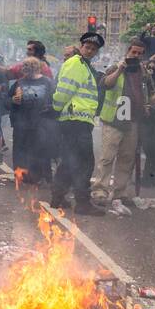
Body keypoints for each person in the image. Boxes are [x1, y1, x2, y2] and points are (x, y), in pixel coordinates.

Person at [51, 31, 105, 215]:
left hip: (78, 120)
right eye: (87, 47)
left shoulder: (84, 66)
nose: (90, 51)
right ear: (81, 47)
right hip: (76, 120)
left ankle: (57, 197)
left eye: (93, 49)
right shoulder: (76, 63)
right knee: (85, 163)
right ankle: (82, 203)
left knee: (69, 160)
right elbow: (64, 90)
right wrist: (55, 108)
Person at [92, 38, 149, 207]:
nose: (136, 56)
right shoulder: (116, 67)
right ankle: (100, 190)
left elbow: (148, 90)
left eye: (139, 53)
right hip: (113, 120)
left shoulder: (143, 71)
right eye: (133, 52)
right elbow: (105, 84)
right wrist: (119, 71)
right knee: (107, 157)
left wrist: (151, 103)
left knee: (127, 158)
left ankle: (120, 192)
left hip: (133, 121)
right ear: (128, 51)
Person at [8, 56, 56, 185]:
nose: (24, 69)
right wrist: (13, 100)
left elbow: (55, 101)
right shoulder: (19, 83)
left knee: (39, 151)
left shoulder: (47, 82)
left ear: (35, 68)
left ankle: (39, 177)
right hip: (21, 123)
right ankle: (20, 176)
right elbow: (6, 100)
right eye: (24, 66)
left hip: (40, 123)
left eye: (28, 66)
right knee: (20, 150)